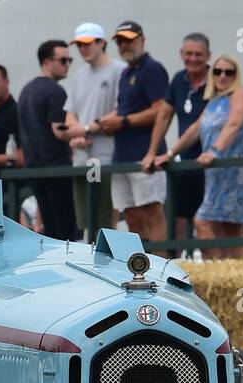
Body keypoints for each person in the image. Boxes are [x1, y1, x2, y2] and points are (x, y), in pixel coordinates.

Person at [155, 53, 243, 259]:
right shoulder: (215, 100)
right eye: (218, 71)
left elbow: (234, 124)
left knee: (205, 222)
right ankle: (234, 274)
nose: (223, 76)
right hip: (215, 172)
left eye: (229, 72)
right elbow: (195, 129)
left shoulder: (240, 94)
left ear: (236, 75)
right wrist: (171, 153)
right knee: (230, 229)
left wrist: (214, 151)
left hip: (234, 170)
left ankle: (217, 272)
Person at [98, 20, 169, 243]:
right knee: (131, 215)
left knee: (151, 212)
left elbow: (160, 110)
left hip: (146, 153)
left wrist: (123, 122)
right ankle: (141, 269)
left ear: (142, 40)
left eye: (128, 40)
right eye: (120, 41)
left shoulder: (153, 68)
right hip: (122, 154)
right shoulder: (127, 72)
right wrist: (108, 122)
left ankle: (161, 268)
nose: (124, 45)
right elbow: (125, 109)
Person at [147, 32, 209, 245]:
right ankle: (174, 269)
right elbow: (164, 116)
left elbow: (198, 127)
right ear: (181, 54)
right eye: (188, 53)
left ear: (208, 56)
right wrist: (152, 152)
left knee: (208, 221)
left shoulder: (219, 78)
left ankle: (216, 269)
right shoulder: (179, 80)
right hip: (186, 163)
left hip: (212, 162)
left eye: (198, 54)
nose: (192, 59)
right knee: (177, 219)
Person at [66, 23, 123, 239]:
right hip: (82, 159)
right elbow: (70, 113)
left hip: (107, 156)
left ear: (102, 43)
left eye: (87, 44)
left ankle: (110, 267)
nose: (83, 49)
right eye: (79, 45)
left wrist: (87, 129)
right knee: (87, 218)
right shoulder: (80, 75)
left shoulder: (119, 70)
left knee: (106, 216)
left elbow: (121, 112)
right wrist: (77, 133)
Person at [17, 39, 78, 241]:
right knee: (66, 231)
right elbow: (59, 130)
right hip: (57, 169)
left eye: (70, 60)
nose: (67, 64)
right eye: (63, 60)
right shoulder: (55, 91)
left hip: (35, 169)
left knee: (51, 230)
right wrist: (85, 132)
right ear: (47, 61)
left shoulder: (26, 90)